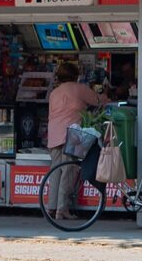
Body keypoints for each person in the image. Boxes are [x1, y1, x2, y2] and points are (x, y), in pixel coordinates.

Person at [46, 61, 110, 219]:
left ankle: (51, 207)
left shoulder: (54, 93)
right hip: (71, 135)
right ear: (75, 75)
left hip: (54, 135)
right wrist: (107, 93)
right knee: (69, 171)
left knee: (55, 172)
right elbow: (98, 100)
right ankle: (62, 210)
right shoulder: (79, 89)